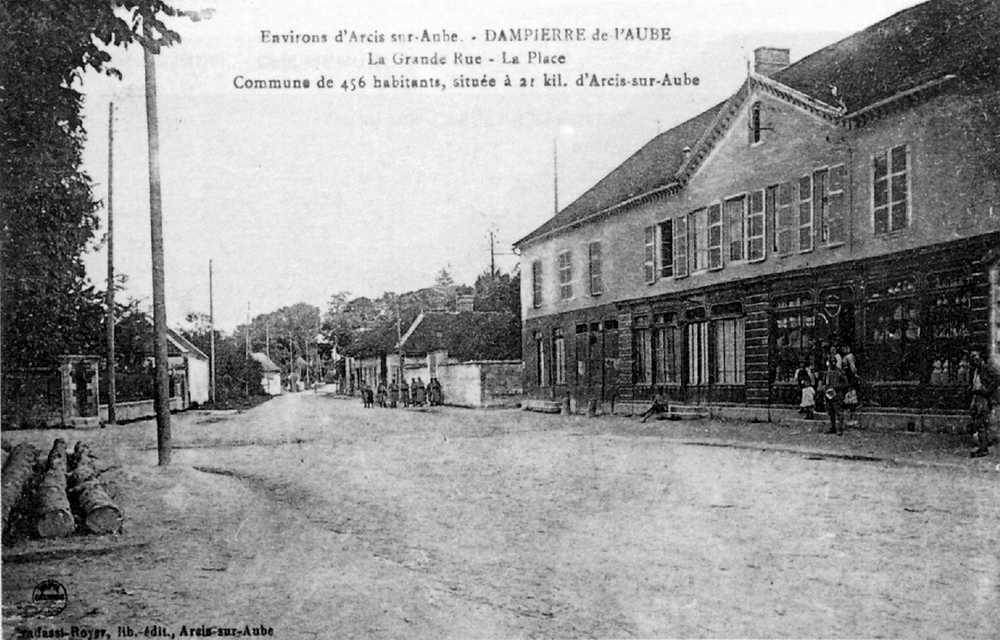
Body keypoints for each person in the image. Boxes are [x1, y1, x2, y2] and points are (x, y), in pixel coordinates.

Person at [968, 350, 1000, 458]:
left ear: (981, 358)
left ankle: (983, 447)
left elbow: (997, 378)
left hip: (982, 397)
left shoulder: (986, 368)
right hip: (976, 396)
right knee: (976, 420)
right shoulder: (975, 370)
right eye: (972, 358)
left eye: (976, 358)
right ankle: (984, 442)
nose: (974, 360)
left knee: (980, 421)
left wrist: (988, 390)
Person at [820, 356, 846, 435]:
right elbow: (823, 382)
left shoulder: (840, 372)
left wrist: (836, 387)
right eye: (831, 362)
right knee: (831, 412)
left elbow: (845, 383)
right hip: (829, 395)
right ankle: (833, 427)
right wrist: (824, 388)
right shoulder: (827, 373)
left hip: (837, 394)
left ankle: (840, 428)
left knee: (839, 412)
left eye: (834, 362)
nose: (833, 364)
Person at [840, 344, 860, 428]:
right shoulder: (845, 357)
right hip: (847, 378)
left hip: (850, 377)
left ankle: (852, 417)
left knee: (851, 397)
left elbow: (852, 367)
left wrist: (853, 375)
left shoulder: (849, 357)